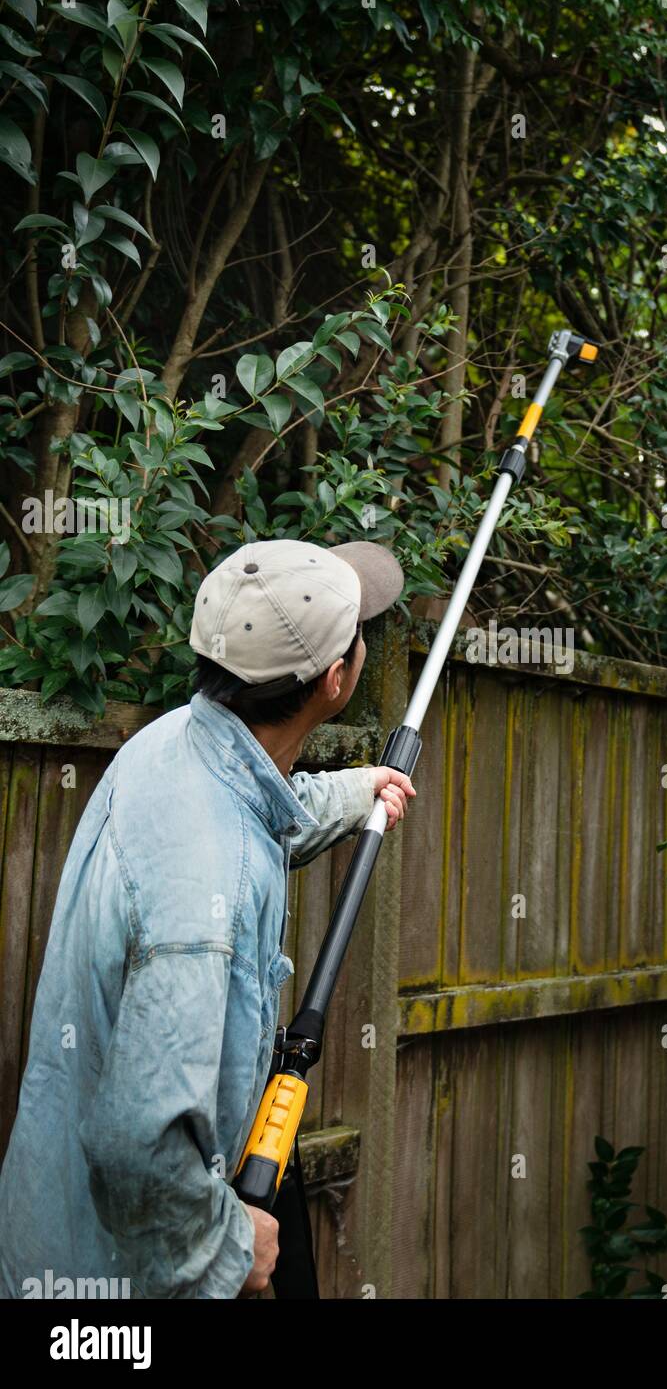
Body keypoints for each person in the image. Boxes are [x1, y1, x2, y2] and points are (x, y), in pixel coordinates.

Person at [0, 539, 415, 1299]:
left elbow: (256, 810)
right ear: (335, 679)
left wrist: (356, 792)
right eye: (360, 633)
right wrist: (226, 1252)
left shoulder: (175, 745)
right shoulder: (200, 907)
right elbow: (141, 1148)